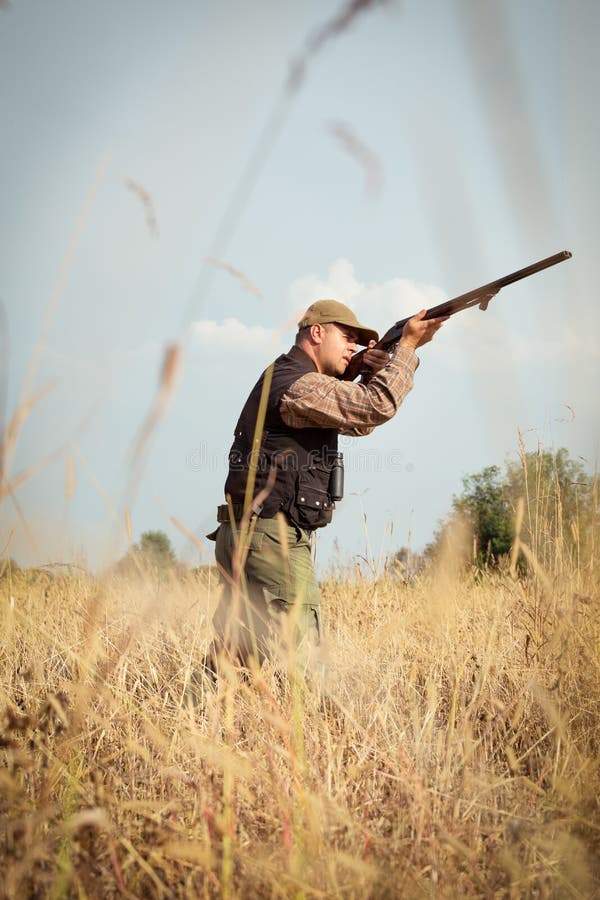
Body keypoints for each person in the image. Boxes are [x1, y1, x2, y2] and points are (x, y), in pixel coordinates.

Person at [206, 299, 446, 674]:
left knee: (234, 659)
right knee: (304, 656)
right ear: (316, 333)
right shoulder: (298, 384)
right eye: (348, 337)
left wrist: (367, 371)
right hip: (271, 538)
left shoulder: (287, 378)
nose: (354, 347)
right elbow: (376, 407)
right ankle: (306, 731)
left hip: (249, 535)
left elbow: (357, 422)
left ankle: (183, 721)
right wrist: (408, 348)